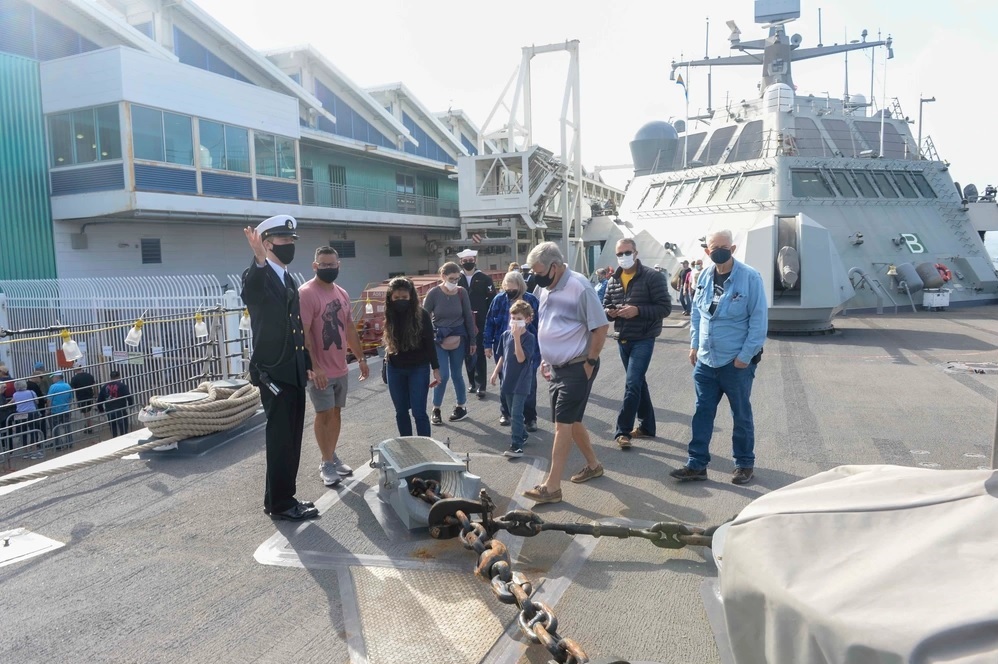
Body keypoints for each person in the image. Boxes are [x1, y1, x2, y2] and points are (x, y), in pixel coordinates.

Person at [670, 229, 767, 485]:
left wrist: (745, 357)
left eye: (724, 247)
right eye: (715, 248)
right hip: (705, 360)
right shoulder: (702, 276)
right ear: (707, 251)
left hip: (735, 363)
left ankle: (744, 463)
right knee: (702, 412)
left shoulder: (750, 278)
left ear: (733, 249)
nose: (719, 251)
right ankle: (697, 464)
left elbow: (758, 322)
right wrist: (693, 345)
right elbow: (696, 314)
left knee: (741, 414)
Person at [241, 214, 318, 521]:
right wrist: (258, 261)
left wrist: (307, 363)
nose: (289, 245)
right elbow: (251, 292)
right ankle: (283, 504)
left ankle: (279, 498)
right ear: (268, 244)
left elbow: (296, 327)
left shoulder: (287, 277)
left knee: (291, 439)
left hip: (293, 370)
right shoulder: (258, 275)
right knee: (280, 440)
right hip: (274, 372)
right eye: (284, 241)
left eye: (291, 241)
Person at [522, 242, 609, 505]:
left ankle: (552, 486)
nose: (534, 277)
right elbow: (548, 323)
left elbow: (601, 327)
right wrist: (547, 359)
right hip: (558, 367)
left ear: (556, 267)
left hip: (577, 366)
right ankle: (593, 465)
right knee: (572, 421)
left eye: (538, 271)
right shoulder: (546, 286)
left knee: (562, 426)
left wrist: (590, 362)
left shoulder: (580, 287)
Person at [299, 246, 369, 488]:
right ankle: (326, 463)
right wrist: (315, 366)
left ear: (339, 265)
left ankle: (331, 454)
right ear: (315, 265)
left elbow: (348, 327)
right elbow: (304, 333)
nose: (328, 268)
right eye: (323, 264)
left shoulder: (342, 293)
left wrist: (360, 358)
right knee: (324, 413)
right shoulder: (306, 293)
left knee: (336, 412)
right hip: (319, 371)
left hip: (340, 367)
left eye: (332, 264)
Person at [603, 238, 672, 449]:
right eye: (619, 253)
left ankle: (622, 431)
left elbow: (664, 308)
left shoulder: (653, 277)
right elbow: (605, 304)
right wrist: (610, 312)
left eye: (627, 252)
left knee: (632, 384)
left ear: (636, 252)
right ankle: (647, 426)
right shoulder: (613, 279)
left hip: (643, 338)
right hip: (622, 338)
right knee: (638, 382)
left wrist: (638, 310)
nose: (623, 257)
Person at [383, 277, 441, 436]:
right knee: (401, 411)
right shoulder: (389, 313)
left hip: (418, 367)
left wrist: (436, 368)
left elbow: (430, 342)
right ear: (390, 298)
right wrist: (385, 365)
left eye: (404, 298)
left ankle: (426, 446)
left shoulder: (421, 314)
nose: (400, 301)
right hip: (394, 367)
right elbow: (388, 340)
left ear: (411, 297)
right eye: (396, 298)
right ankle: (407, 444)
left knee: (418, 411)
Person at [483, 270, 540, 430]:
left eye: (512, 289)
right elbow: (489, 322)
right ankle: (506, 412)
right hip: (505, 346)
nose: (509, 292)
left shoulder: (532, 300)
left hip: (529, 347)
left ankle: (530, 418)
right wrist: (487, 344)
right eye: (507, 289)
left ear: (520, 287)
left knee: (529, 383)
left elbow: (540, 325)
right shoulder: (499, 300)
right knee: (505, 381)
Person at [423, 262, 476, 425]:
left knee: (457, 374)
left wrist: (473, 340)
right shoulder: (433, 293)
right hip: (439, 339)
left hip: (459, 337)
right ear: (443, 277)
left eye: (457, 278)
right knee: (442, 375)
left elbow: (468, 316)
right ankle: (436, 409)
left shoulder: (462, 293)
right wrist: (427, 337)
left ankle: (461, 406)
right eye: (451, 278)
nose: (454, 281)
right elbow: (424, 317)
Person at [490, 300, 537, 458]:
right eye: (513, 318)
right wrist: (495, 372)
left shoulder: (529, 338)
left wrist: (517, 338)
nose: (514, 322)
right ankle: (522, 434)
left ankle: (516, 445)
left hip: (522, 381)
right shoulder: (505, 335)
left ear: (528, 319)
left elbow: (521, 358)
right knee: (511, 411)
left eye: (518, 319)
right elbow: (503, 356)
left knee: (517, 413)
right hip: (508, 380)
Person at [455, 248, 495, 398]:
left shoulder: (485, 279)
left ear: (475, 261)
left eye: (471, 261)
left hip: (480, 321)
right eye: (465, 261)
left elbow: (491, 300)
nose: (468, 263)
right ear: (461, 262)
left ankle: (481, 385)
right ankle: (471, 382)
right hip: (462, 320)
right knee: (467, 352)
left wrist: (489, 318)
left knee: (479, 352)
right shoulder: (457, 279)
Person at [97, 370, 134, 438]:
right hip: (120, 409)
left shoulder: (105, 386)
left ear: (111, 377)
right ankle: (124, 438)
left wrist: (101, 409)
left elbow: (99, 399)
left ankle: (115, 439)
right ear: (119, 377)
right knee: (123, 426)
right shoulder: (122, 386)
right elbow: (128, 396)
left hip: (109, 409)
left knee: (112, 426)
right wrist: (131, 404)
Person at [47, 372, 74, 448]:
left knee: (55, 428)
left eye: (53, 377)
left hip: (55, 410)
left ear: (57, 377)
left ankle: (58, 444)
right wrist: (69, 407)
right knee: (67, 427)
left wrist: (48, 410)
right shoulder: (67, 386)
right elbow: (70, 398)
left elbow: (49, 400)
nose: (52, 379)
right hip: (66, 409)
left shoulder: (53, 387)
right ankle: (69, 442)